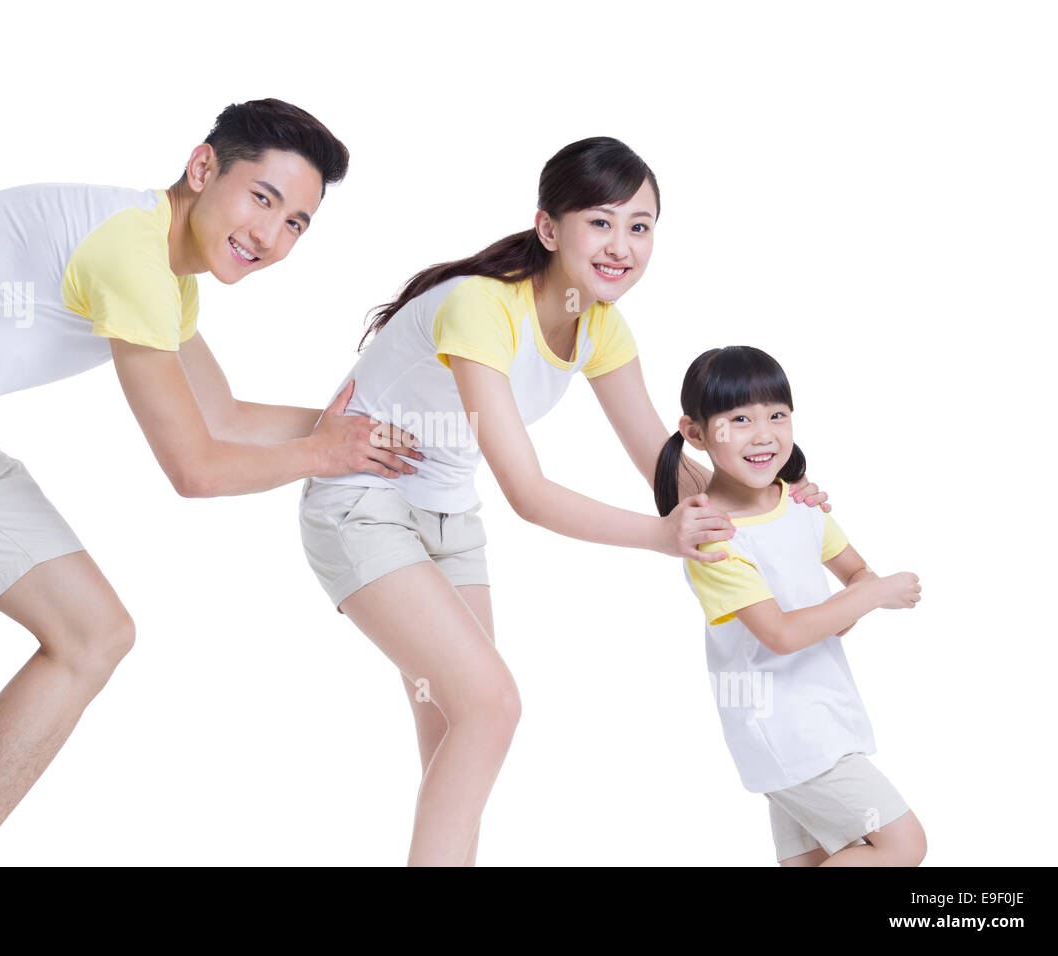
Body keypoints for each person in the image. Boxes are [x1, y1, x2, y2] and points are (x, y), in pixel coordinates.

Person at [0, 98, 421, 866]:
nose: (269, 235)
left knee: (93, 634)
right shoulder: (131, 258)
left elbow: (218, 414)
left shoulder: (166, 268)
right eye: (262, 198)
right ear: (202, 168)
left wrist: (364, 432)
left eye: (296, 222)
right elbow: (195, 467)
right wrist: (326, 456)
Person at [298, 137, 832, 865]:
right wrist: (661, 535)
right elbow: (528, 492)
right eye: (601, 223)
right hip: (361, 504)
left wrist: (775, 499)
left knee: (459, 734)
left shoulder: (601, 325)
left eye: (640, 227)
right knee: (490, 708)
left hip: (449, 517)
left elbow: (662, 459)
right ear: (550, 228)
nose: (623, 246)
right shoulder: (480, 306)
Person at [658, 345, 926, 866]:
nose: (763, 434)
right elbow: (779, 633)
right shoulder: (714, 536)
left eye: (777, 415)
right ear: (694, 433)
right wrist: (866, 598)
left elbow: (855, 574)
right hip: (783, 726)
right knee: (901, 844)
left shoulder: (800, 505)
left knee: (815, 860)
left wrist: (859, 597)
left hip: (824, 712)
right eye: (739, 419)